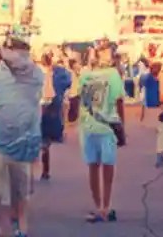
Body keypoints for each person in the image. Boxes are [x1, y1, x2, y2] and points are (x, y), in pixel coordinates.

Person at [0, 27, 44, 237]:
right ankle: (2, 225)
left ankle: (19, 227)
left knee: (20, 190)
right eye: (13, 48)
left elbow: (36, 102)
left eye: (21, 49)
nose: (18, 54)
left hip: (25, 141)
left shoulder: (36, 74)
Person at [78, 44, 126, 223]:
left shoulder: (84, 74)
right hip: (108, 127)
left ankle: (99, 206)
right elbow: (119, 101)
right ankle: (105, 206)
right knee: (107, 168)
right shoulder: (113, 74)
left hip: (88, 126)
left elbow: (80, 100)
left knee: (93, 166)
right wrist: (122, 127)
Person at [38, 52, 72, 182]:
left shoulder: (38, 73)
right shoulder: (57, 73)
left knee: (39, 141)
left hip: (39, 109)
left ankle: (39, 170)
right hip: (50, 109)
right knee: (45, 143)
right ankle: (45, 171)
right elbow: (67, 83)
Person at [66, 58, 83, 124]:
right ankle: (71, 121)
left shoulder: (73, 72)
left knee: (73, 108)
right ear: (73, 65)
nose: (77, 65)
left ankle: (71, 120)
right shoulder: (72, 72)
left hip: (74, 93)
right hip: (73, 93)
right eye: (76, 64)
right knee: (74, 108)